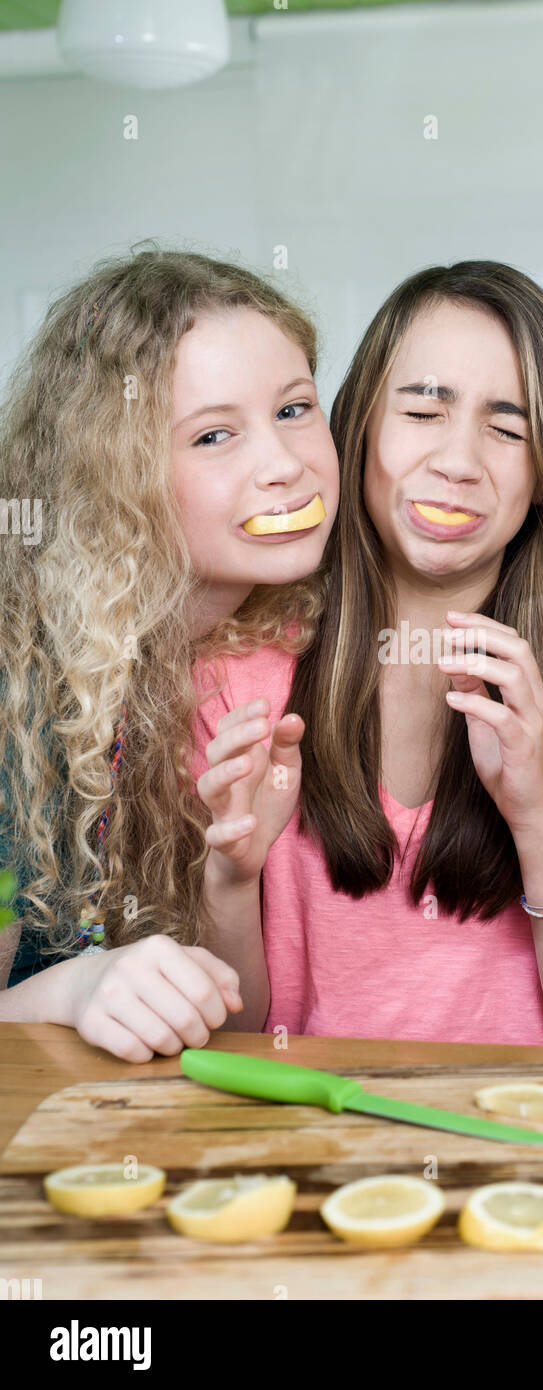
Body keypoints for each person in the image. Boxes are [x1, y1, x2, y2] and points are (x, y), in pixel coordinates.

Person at [193, 262, 543, 1048]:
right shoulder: (237, 685)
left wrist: (539, 824)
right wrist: (231, 879)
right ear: (360, 428)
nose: (460, 461)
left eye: (507, 430)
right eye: (423, 411)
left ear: (542, 477)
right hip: (319, 1150)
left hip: (525, 1152)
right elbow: (233, 1031)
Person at [0, 244, 339, 1062]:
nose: (285, 467)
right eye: (216, 435)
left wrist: (231, 880)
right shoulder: (21, 687)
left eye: (294, 410)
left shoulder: (264, 651)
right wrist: (66, 990)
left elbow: (227, 1026)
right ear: (112, 474)